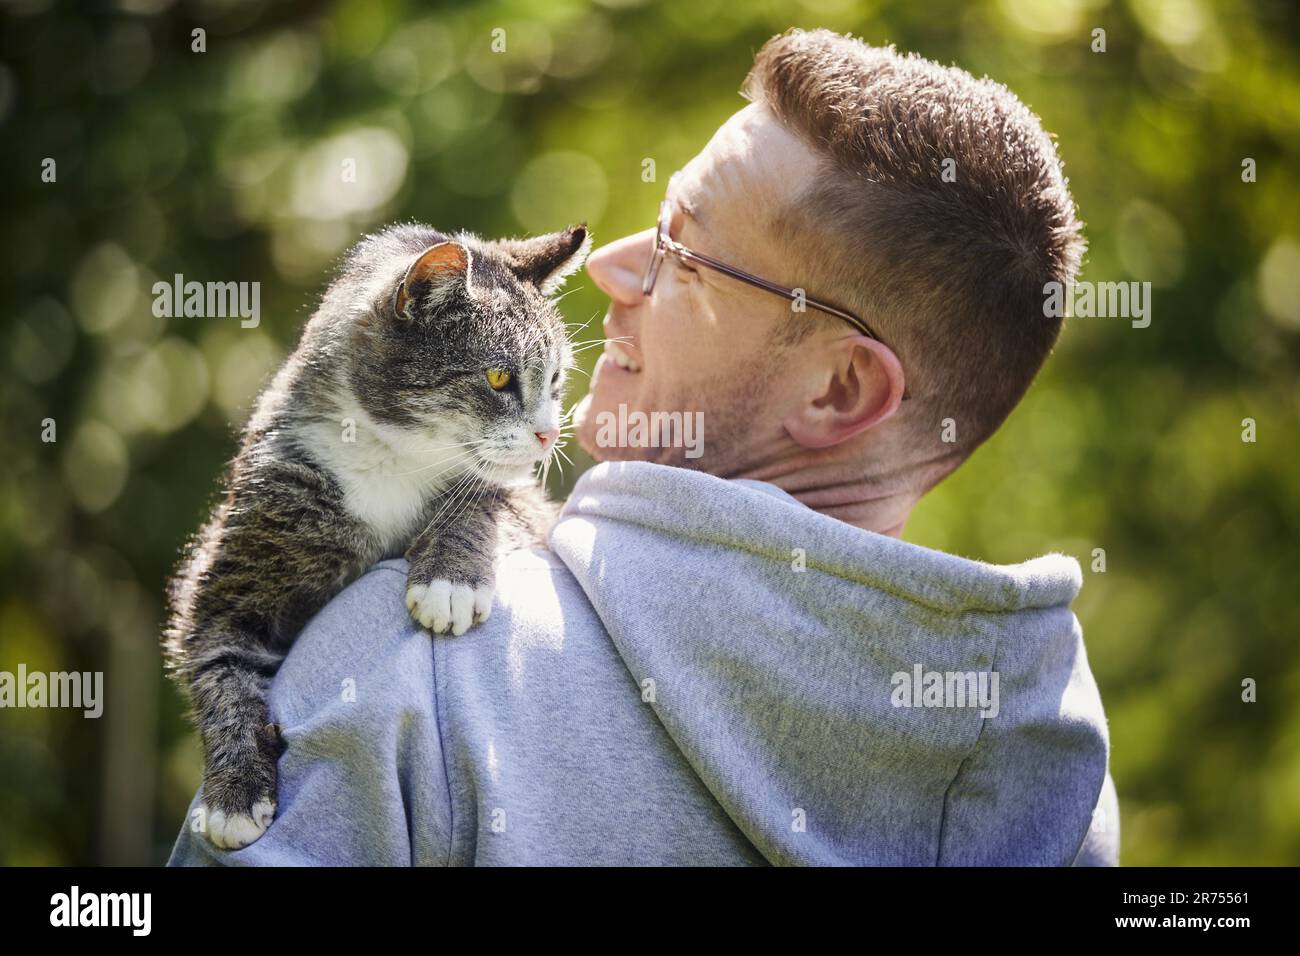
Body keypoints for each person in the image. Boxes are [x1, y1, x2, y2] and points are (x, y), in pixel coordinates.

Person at [169, 28, 1118, 866]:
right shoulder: (1060, 781)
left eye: (682, 252)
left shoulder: (409, 674)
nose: (614, 268)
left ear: (839, 390)